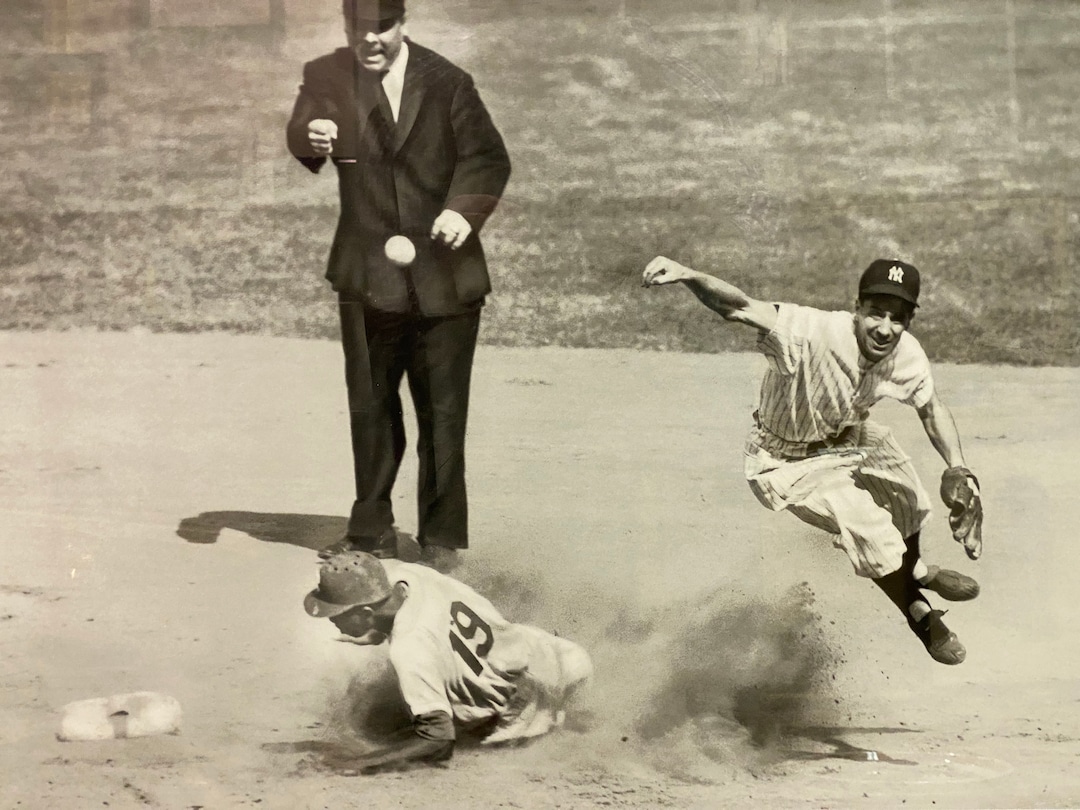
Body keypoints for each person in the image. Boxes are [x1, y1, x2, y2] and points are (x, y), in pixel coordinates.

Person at [641, 256, 984, 665]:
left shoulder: (906, 353)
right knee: (871, 530)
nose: (885, 328)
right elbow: (739, 306)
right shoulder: (810, 330)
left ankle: (916, 570)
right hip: (786, 462)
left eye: (897, 318)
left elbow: (931, 407)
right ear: (857, 308)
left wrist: (957, 466)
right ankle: (919, 612)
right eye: (876, 314)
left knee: (911, 501)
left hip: (851, 438)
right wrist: (689, 275)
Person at [286, 0, 511, 569]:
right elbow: (301, 130)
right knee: (370, 405)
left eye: (381, 28)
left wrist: (464, 210)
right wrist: (308, 137)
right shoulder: (326, 75)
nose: (370, 40)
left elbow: (487, 157)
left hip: (445, 277)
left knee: (442, 412)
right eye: (359, 29)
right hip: (366, 276)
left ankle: (440, 541)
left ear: (402, 24)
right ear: (347, 28)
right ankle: (370, 532)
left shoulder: (447, 82)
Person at [304, 551, 593, 771]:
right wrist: (375, 630)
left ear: (366, 610)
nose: (334, 622)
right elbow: (419, 620)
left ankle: (572, 722)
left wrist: (360, 762)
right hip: (561, 656)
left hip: (530, 709)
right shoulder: (412, 574)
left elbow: (438, 740)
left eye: (338, 614)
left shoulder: (411, 650)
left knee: (388, 730)